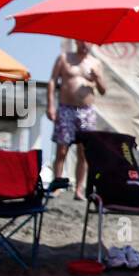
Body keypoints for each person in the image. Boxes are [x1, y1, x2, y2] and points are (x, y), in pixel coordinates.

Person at [47, 40, 107, 200]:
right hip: (66, 108)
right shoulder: (64, 58)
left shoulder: (95, 63)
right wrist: (51, 105)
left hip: (86, 111)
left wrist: (98, 78)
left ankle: (79, 189)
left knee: (84, 152)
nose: (84, 45)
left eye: (88, 43)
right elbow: (53, 81)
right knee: (62, 150)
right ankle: (57, 186)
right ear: (76, 42)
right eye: (82, 42)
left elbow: (103, 90)